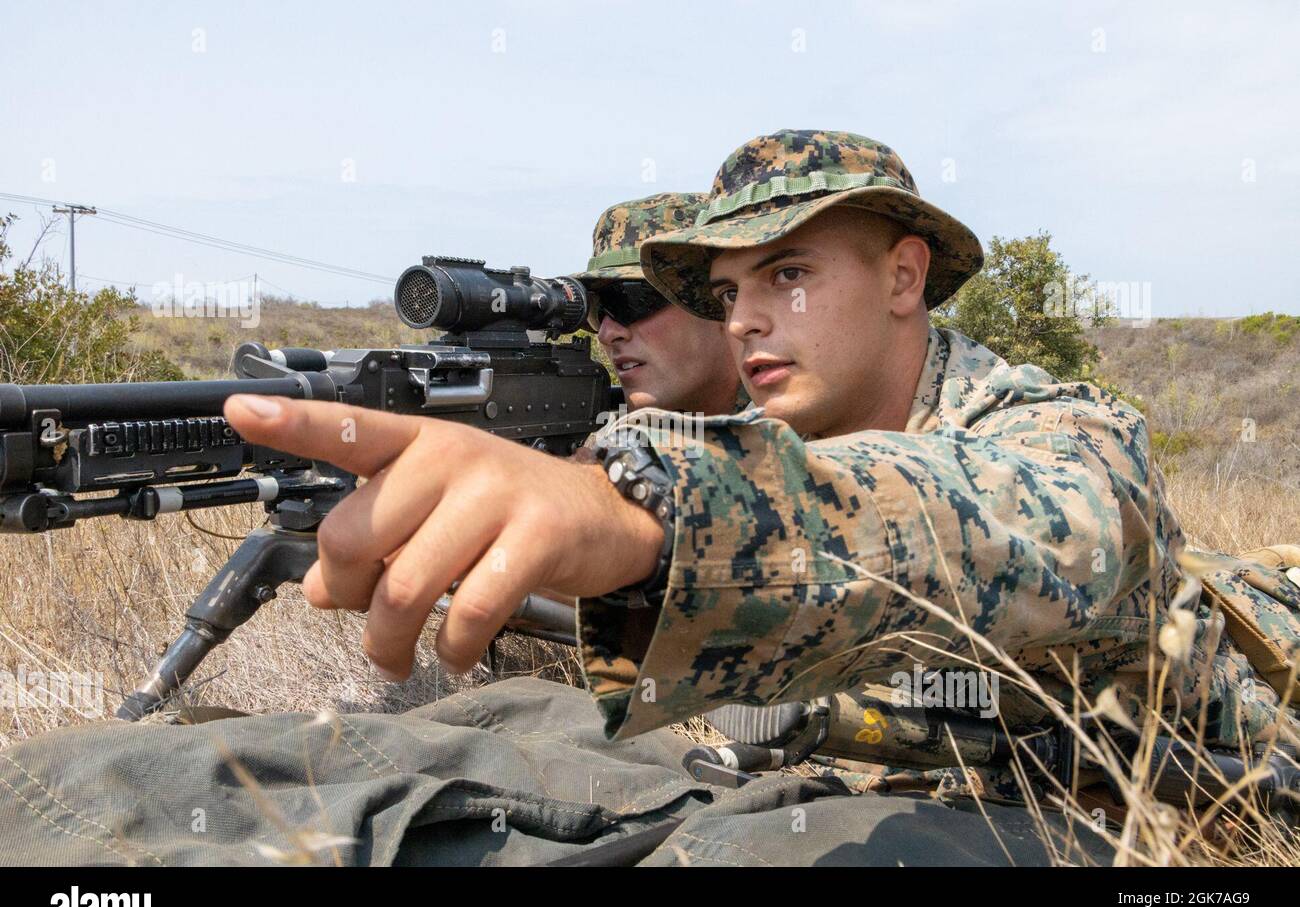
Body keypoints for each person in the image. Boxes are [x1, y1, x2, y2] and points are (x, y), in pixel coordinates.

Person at [0, 130, 1292, 866]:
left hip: (1131, 831)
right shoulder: (724, 431)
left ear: (905, 277)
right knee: (144, 796)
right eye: (729, 293)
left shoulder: (1043, 433)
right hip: (822, 787)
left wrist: (639, 523)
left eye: (789, 273)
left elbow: (1058, 529)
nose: (751, 319)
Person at [576, 192, 745, 416]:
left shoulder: (793, 441)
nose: (606, 333)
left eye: (631, 301)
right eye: (596, 309)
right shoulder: (609, 441)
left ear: (721, 304)